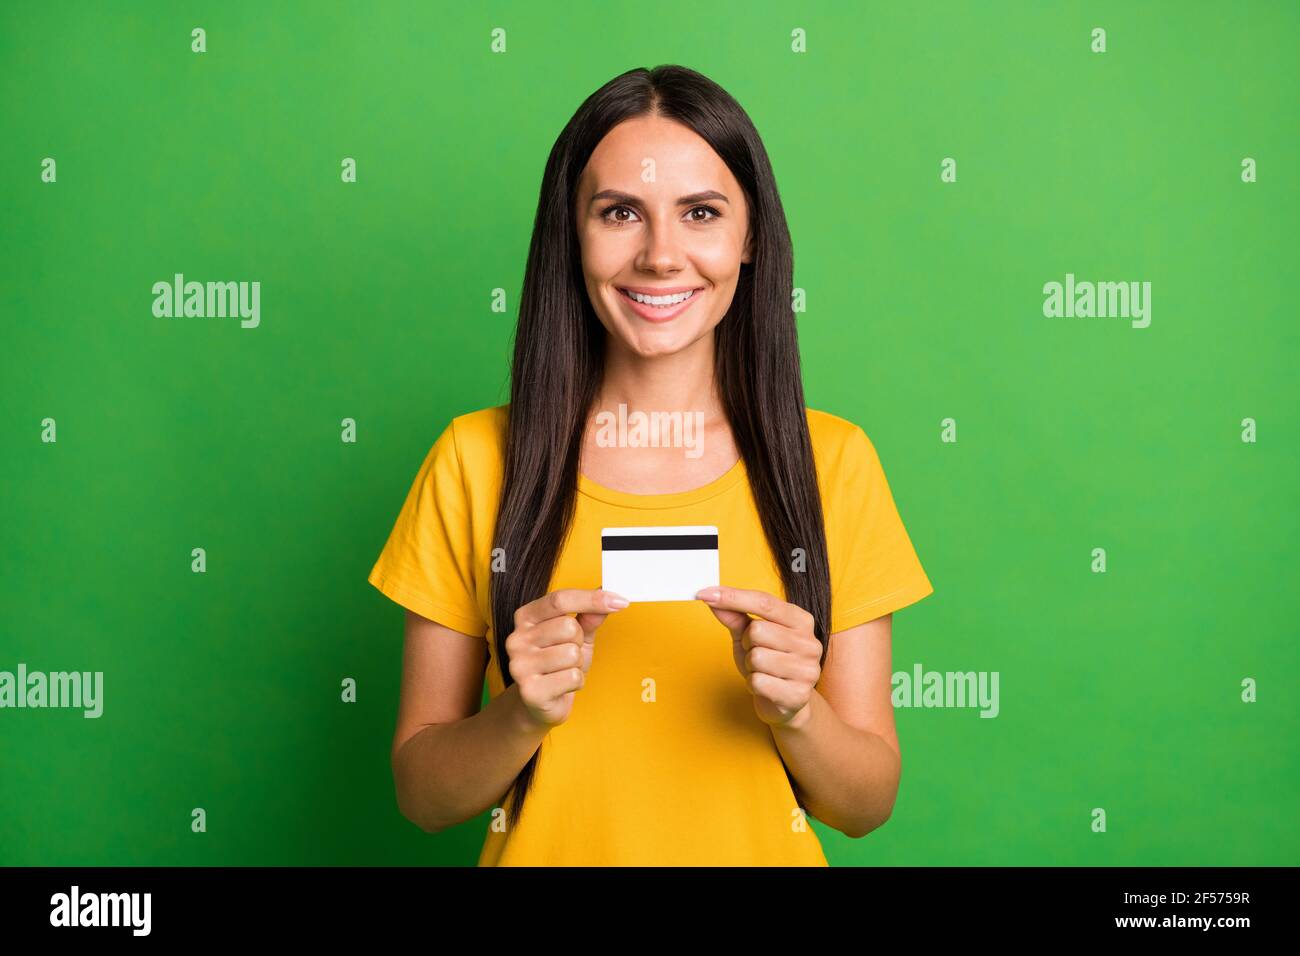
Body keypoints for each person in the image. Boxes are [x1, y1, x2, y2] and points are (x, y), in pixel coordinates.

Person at [367, 64, 934, 866]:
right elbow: (423, 799)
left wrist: (798, 711)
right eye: (620, 212)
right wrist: (518, 714)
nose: (661, 255)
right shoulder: (473, 461)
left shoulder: (833, 464)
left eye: (701, 212)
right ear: (572, 235)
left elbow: (866, 804)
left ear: (751, 240)